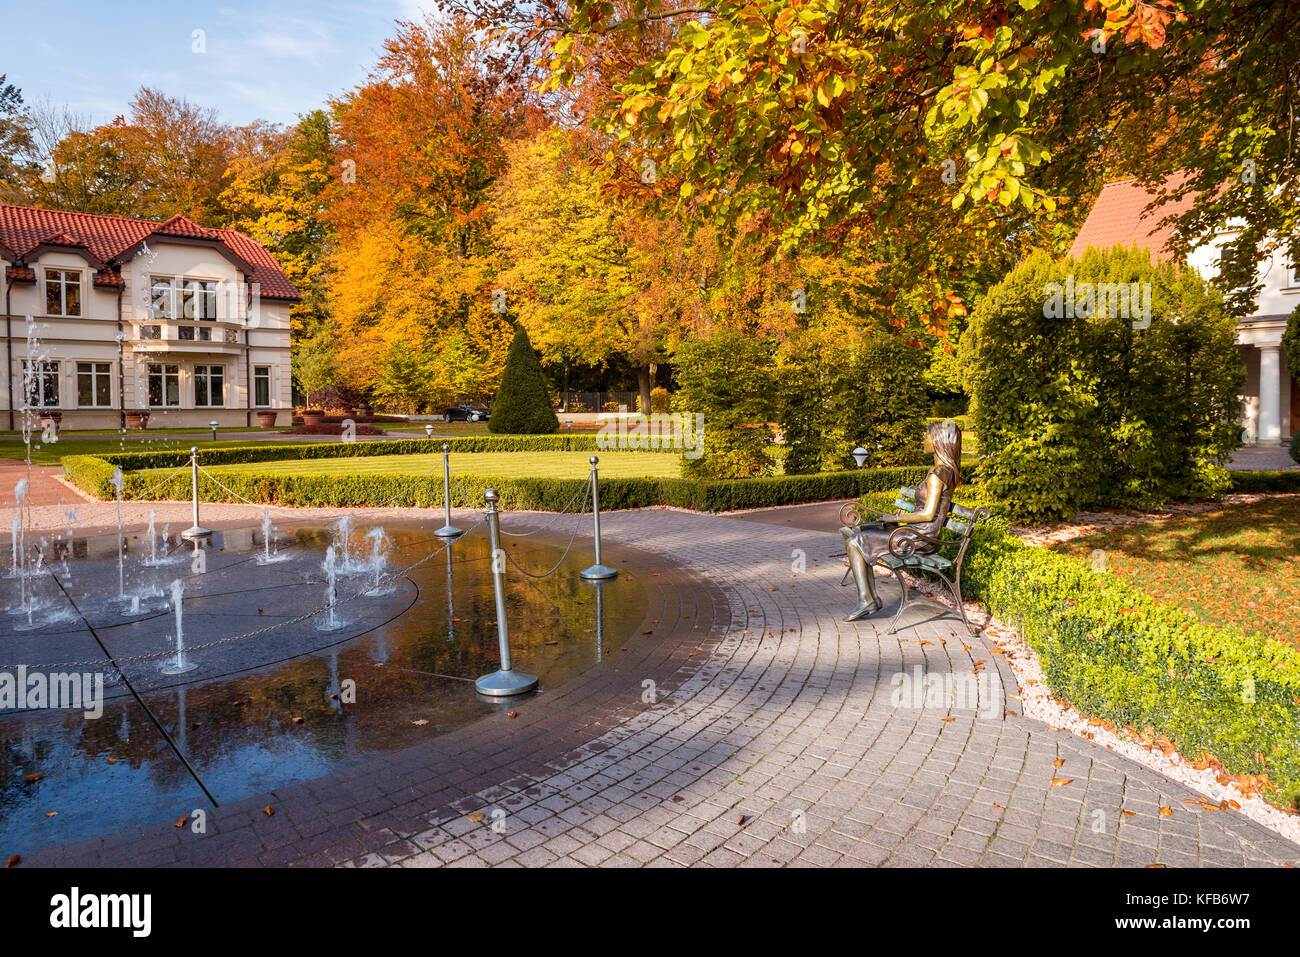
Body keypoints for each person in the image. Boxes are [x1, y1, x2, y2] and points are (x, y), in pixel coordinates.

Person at [841, 420, 962, 622]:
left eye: (927, 436)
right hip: (921, 534)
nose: (925, 440)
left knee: (855, 541)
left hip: (920, 538)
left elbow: (927, 514)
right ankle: (868, 598)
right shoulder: (947, 471)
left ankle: (866, 600)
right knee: (860, 535)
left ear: (938, 441)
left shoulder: (938, 473)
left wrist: (895, 518)